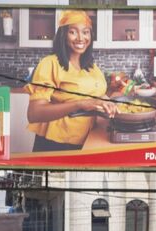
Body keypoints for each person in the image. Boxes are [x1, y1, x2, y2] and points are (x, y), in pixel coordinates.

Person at [25, 10, 117, 152]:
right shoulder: (50, 63)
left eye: (85, 32)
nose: (81, 38)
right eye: (73, 32)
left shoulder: (91, 67)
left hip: (88, 140)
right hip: (57, 144)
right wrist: (80, 104)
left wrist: (108, 99)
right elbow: (34, 114)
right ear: (63, 35)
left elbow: (95, 98)